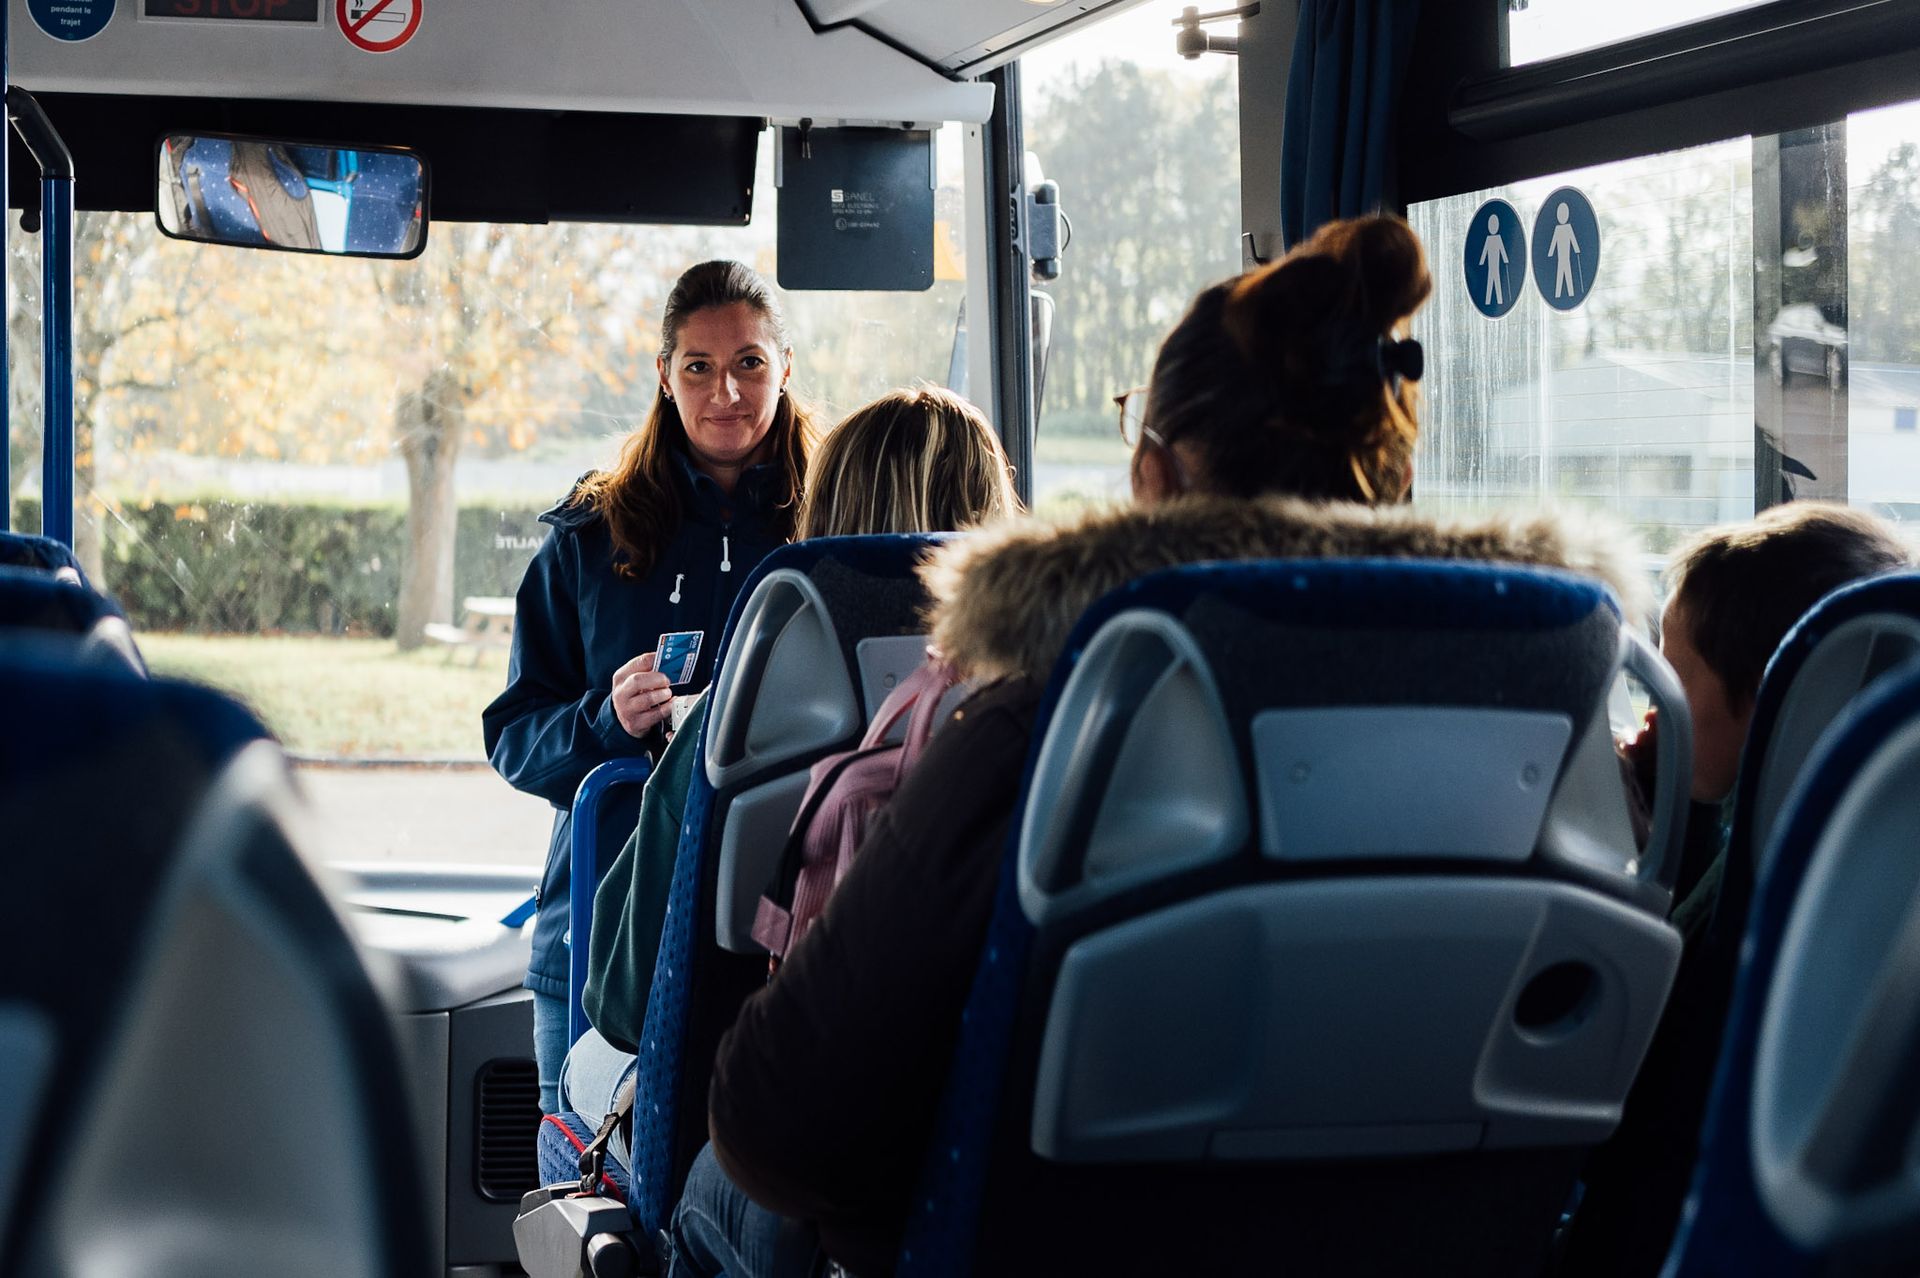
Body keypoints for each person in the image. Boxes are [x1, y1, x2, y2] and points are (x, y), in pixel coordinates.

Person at [690, 214, 1653, 1277]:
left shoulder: (1049, 730)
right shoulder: (1558, 730)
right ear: (1389, 478)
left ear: (1152, 472)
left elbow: (781, 1124)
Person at [560, 384, 1022, 1150]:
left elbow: (625, 994)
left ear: (828, 528)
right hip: (996, 1113)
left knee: (586, 1068)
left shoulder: (731, 726)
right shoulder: (1054, 695)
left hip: (785, 1132)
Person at [483, 260, 819, 1114]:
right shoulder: (592, 535)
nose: (726, 392)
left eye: (749, 363)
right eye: (698, 367)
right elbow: (515, 733)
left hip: (781, 938)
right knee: (584, 1192)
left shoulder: (836, 527)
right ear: (664, 377)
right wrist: (603, 721)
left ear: (785, 367)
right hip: (599, 931)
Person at [1558, 500, 1911, 1278]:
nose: (1654, 713)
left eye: (1672, 675)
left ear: (1767, 696)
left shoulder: (1743, 904)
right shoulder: (1864, 859)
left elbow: (1638, 1083)